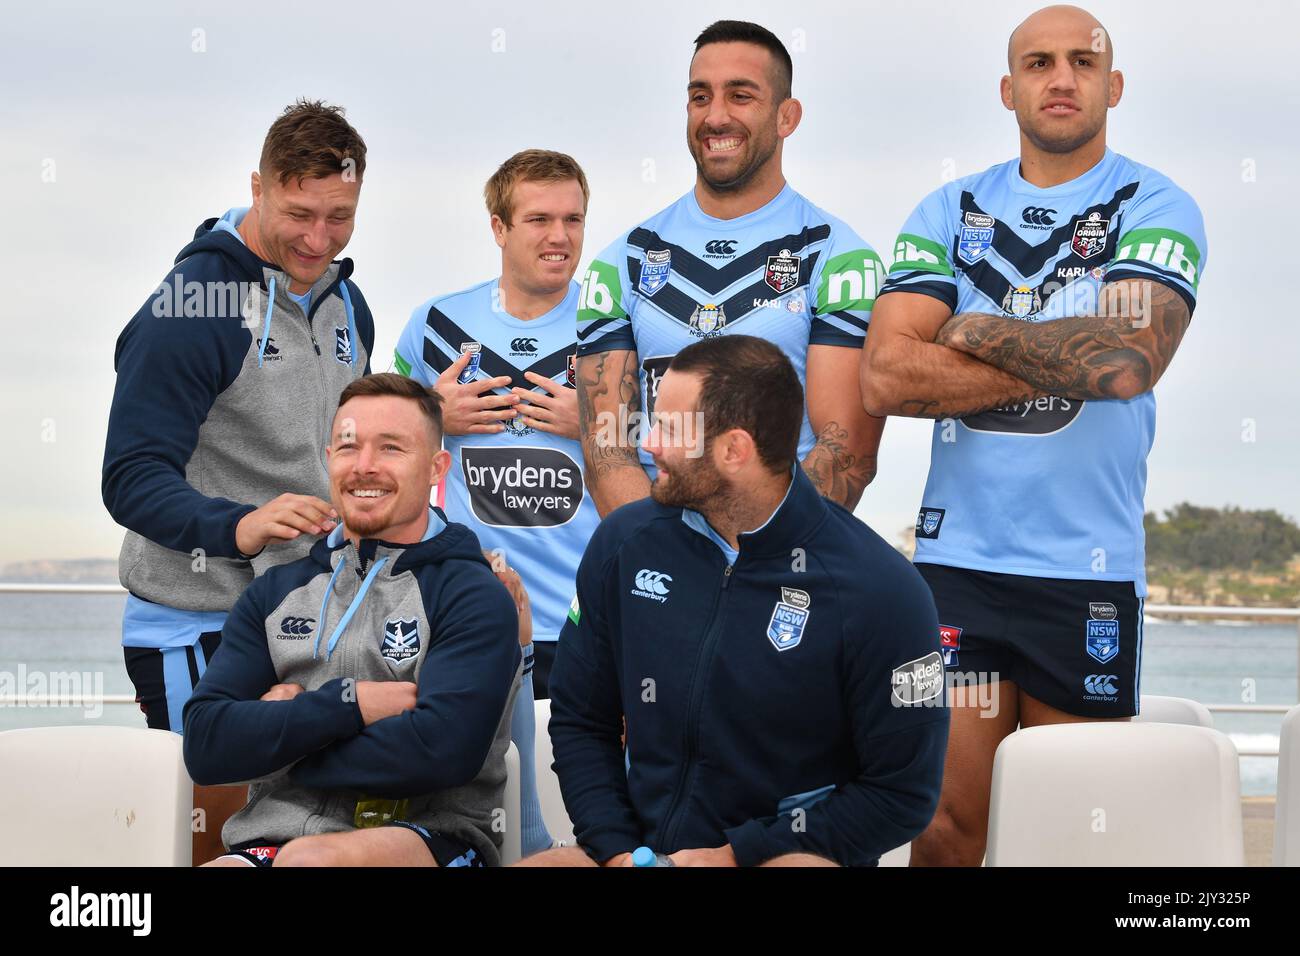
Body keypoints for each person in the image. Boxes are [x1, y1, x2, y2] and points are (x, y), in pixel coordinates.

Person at [860, 4, 1207, 866]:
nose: (1062, 78)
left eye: (1083, 63)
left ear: (1113, 86)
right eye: (1040, 63)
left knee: (1068, 834)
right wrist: (1066, 348)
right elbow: (886, 377)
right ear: (1008, 88)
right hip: (955, 573)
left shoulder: (1154, 202)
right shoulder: (951, 207)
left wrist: (965, 329)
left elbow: (1128, 363)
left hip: (1082, 574)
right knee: (943, 827)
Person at [523, 335, 948, 867]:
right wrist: (617, 849)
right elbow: (582, 718)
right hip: (639, 852)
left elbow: (902, 795)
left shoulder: (881, 588)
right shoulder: (625, 543)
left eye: (670, 430)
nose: (648, 443)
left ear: (734, 450)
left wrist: (735, 855)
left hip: (777, 857)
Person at [101, 100, 374, 862]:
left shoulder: (349, 304)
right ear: (257, 187)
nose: (319, 238)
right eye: (299, 213)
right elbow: (129, 476)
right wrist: (237, 527)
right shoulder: (194, 306)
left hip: (304, 625)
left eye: (340, 217)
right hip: (200, 626)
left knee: (296, 841)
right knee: (212, 843)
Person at [183, 373, 521, 867]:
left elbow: (441, 751)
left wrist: (279, 740)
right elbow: (207, 744)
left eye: (390, 449)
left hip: (429, 835)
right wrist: (351, 705)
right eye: (348, 447)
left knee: (312, 864)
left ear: (435, 468)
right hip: (274, 837)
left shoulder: (471, 594)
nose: (364, 466)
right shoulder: (276, 593)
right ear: (328, 459)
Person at [575, 20, 886, 517]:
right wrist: (665, 555)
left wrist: (756, 557)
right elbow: (607, 448)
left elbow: (845, 453)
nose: (715, 117)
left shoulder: (841, 257)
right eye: (700, 97)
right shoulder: (622, 262)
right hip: (658, 563)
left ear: (787, 116)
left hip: (782, 565)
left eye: (740, 96)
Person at [395, 149, 603, 857]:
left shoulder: (615, 324)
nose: (560, 236)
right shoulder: (436, 324)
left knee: (585, 818)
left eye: (573, 219)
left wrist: (600, 425)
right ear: (497, 226)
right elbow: (368, 430)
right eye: (539, 218)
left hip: (586, 621)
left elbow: (675, 444)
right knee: (486, 819)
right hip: (473, 620)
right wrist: (431, 413)